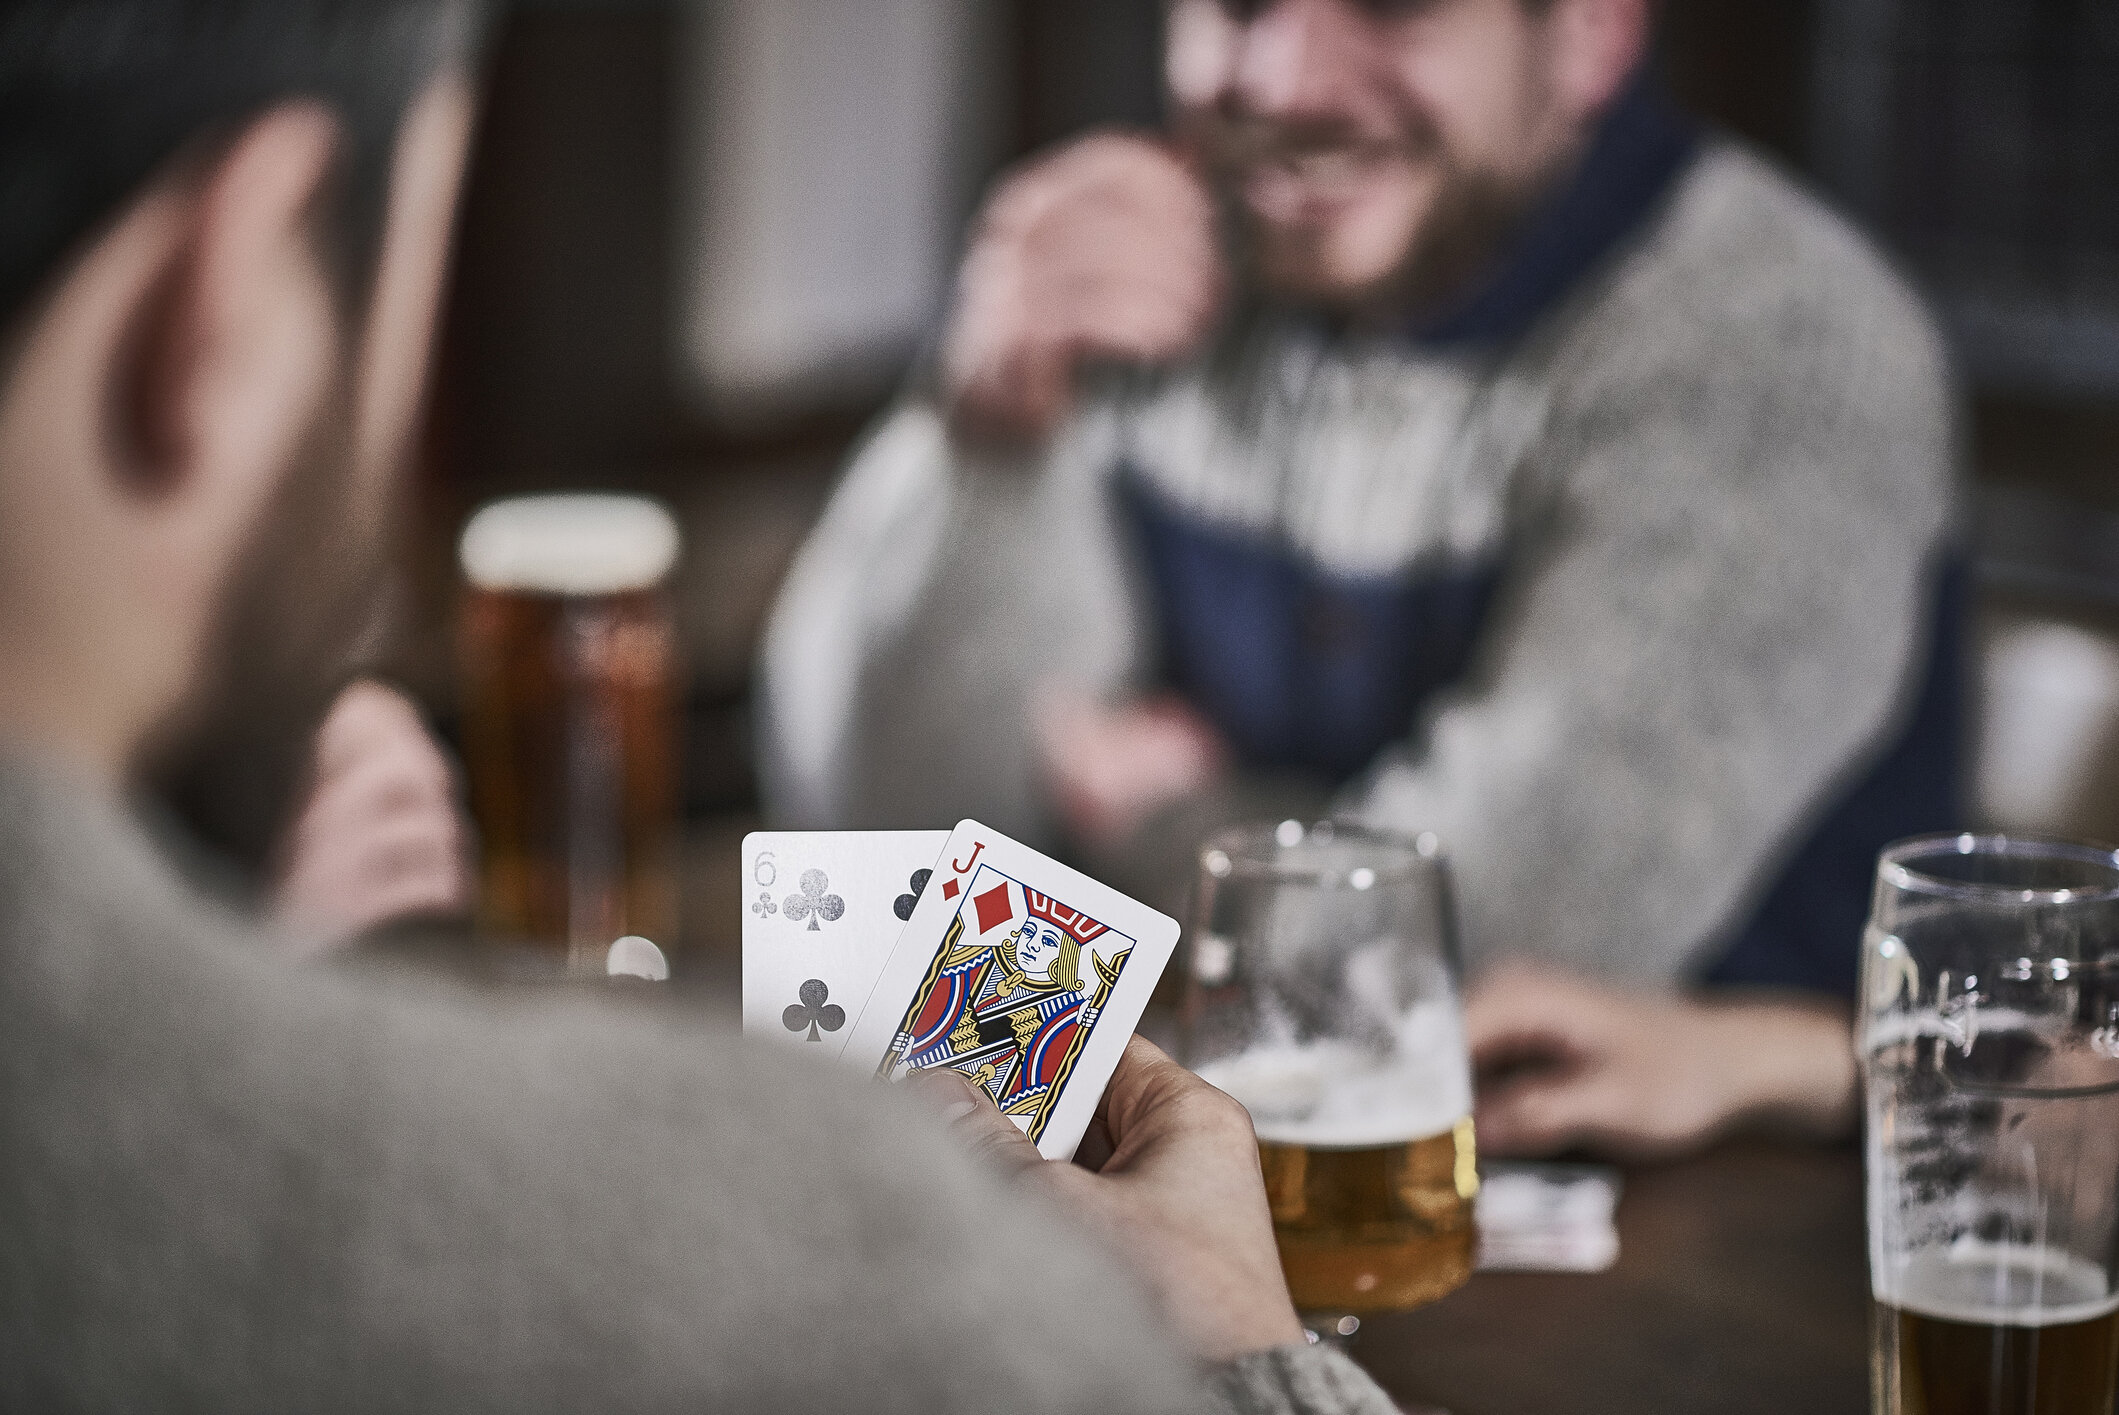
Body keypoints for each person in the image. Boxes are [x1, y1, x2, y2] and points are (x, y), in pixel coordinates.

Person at [0, 4, 1395, 1411]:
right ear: (223, 307)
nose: (1283, 70)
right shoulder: (837, 1265)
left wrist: (230, 977)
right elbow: (877, 775)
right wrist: (1244, 1346)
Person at [760, 0, 1959, 1161]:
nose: (1284, 83)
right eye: (1237, 3)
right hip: (1171, 1187)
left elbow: (1458, 969)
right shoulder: (1141, 251)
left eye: (1393, 7)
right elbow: (868, 837)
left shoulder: (1778, 338)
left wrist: (1158, 824)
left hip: (1693, 1237)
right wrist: (983, 424)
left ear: (1590, 32)